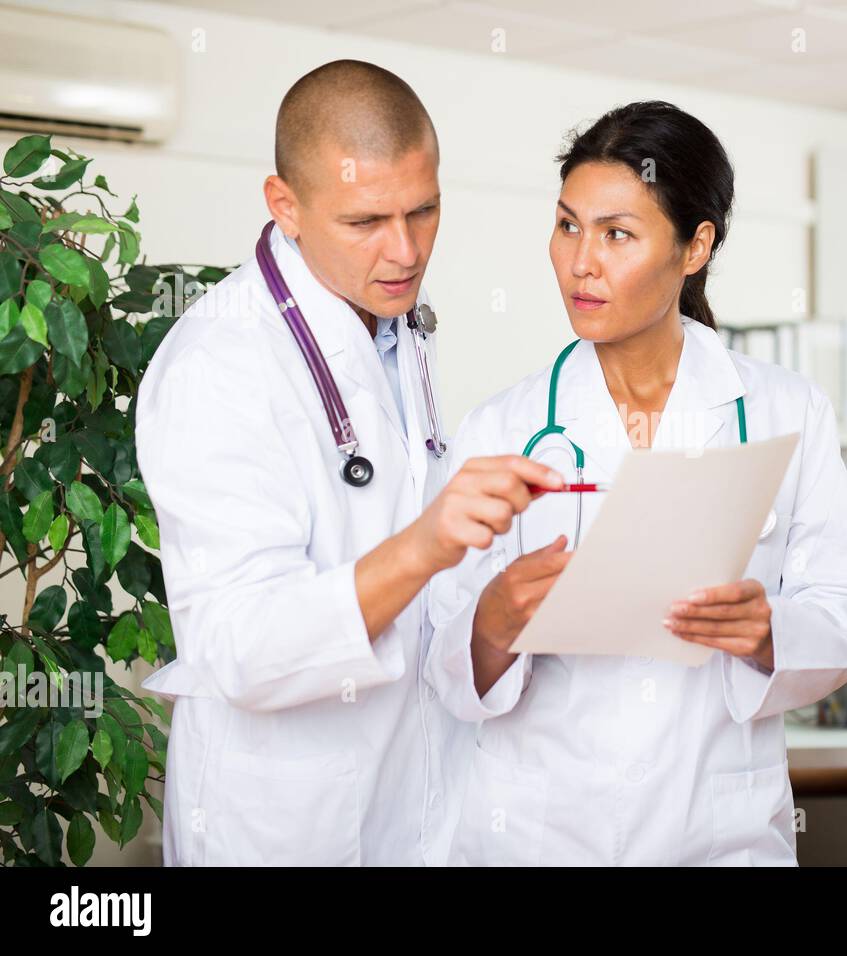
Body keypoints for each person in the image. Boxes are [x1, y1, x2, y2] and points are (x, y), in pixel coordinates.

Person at [426, 101, 847, 865]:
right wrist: (492, 624)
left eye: (617, 234)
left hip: (716, 832)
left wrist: (771, 631)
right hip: (539, 834)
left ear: (694, 247)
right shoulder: (501, 429)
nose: (581, 262)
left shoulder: (784, 413)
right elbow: (438, 670)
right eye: (568, 225)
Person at [135, 60, 561, 866]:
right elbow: (240, 648)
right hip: (285, 826)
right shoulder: (219, 364)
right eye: (366, 221)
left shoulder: (393, 324)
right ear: (285, 206)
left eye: (425, 211)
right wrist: (424, 546)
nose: (405, 250)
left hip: (415, 802)